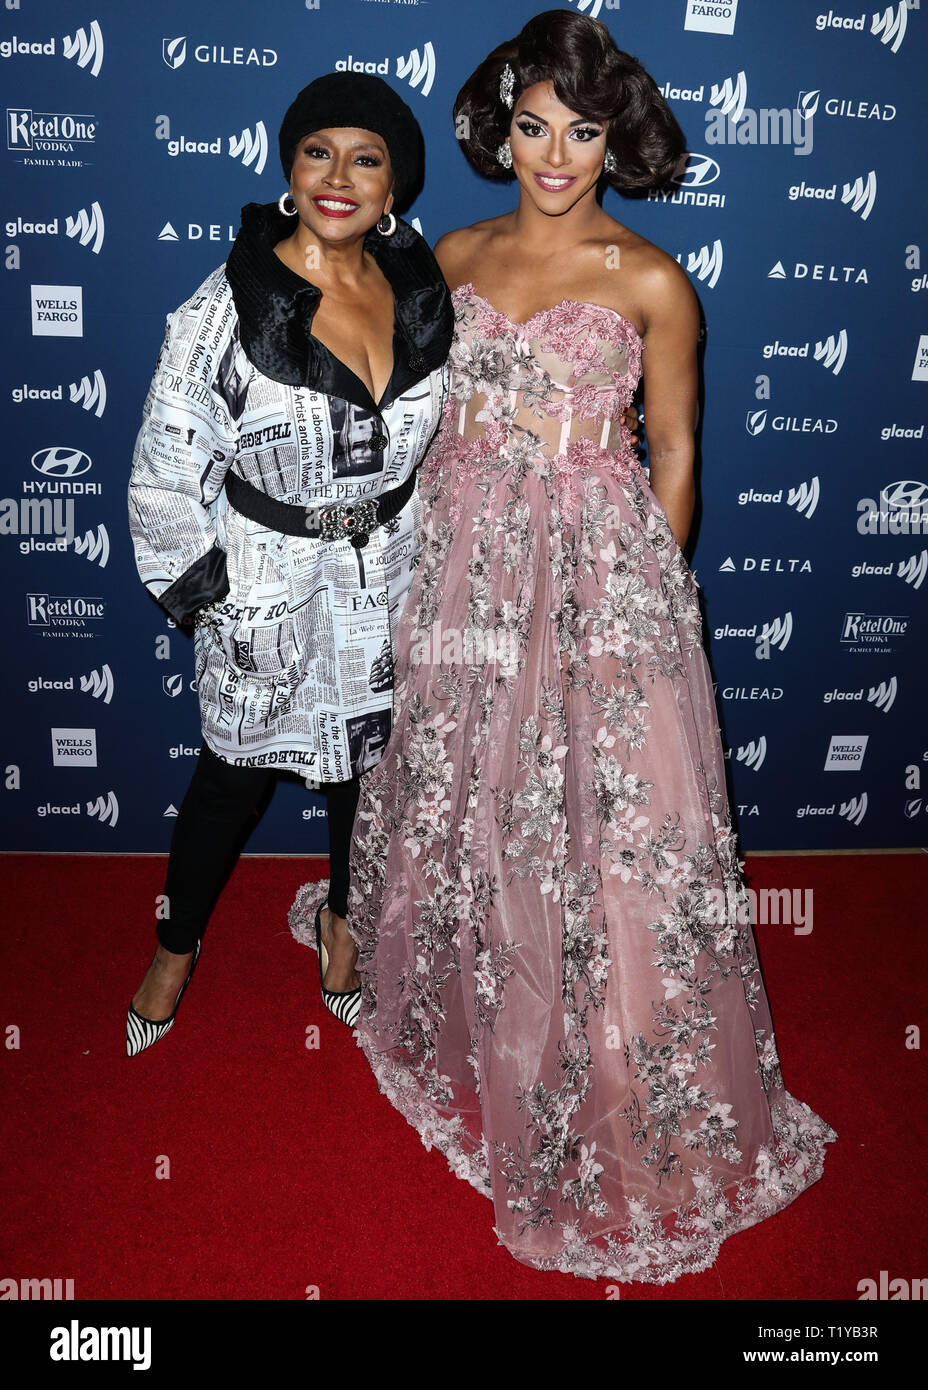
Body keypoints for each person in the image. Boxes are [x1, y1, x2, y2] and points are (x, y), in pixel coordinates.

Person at [290, 10, 836, 1283]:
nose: (554, 153)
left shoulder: (651, 280)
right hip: (466, 555)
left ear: (613, 140)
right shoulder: (455, 250)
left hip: (596, 572)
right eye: (533, 126)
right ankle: (475, 992)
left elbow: (676, 457)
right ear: (502, 128)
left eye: (581, 132)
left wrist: (642, 604)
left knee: (604, 816)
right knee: (479, 787)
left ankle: (618, 1053)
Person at [126, 72, 455, 1052]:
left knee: (366, 770)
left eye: (367, 158)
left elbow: (439, 450)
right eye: (319, 151)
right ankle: (174, 945)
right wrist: (210, 601)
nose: (338, 176)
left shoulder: (421, 296)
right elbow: (161, 474)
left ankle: (343, 927)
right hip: (265, 578)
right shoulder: (225, 307)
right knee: (229, 777)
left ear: (395, 185)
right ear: (288, 167)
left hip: (385, 577)